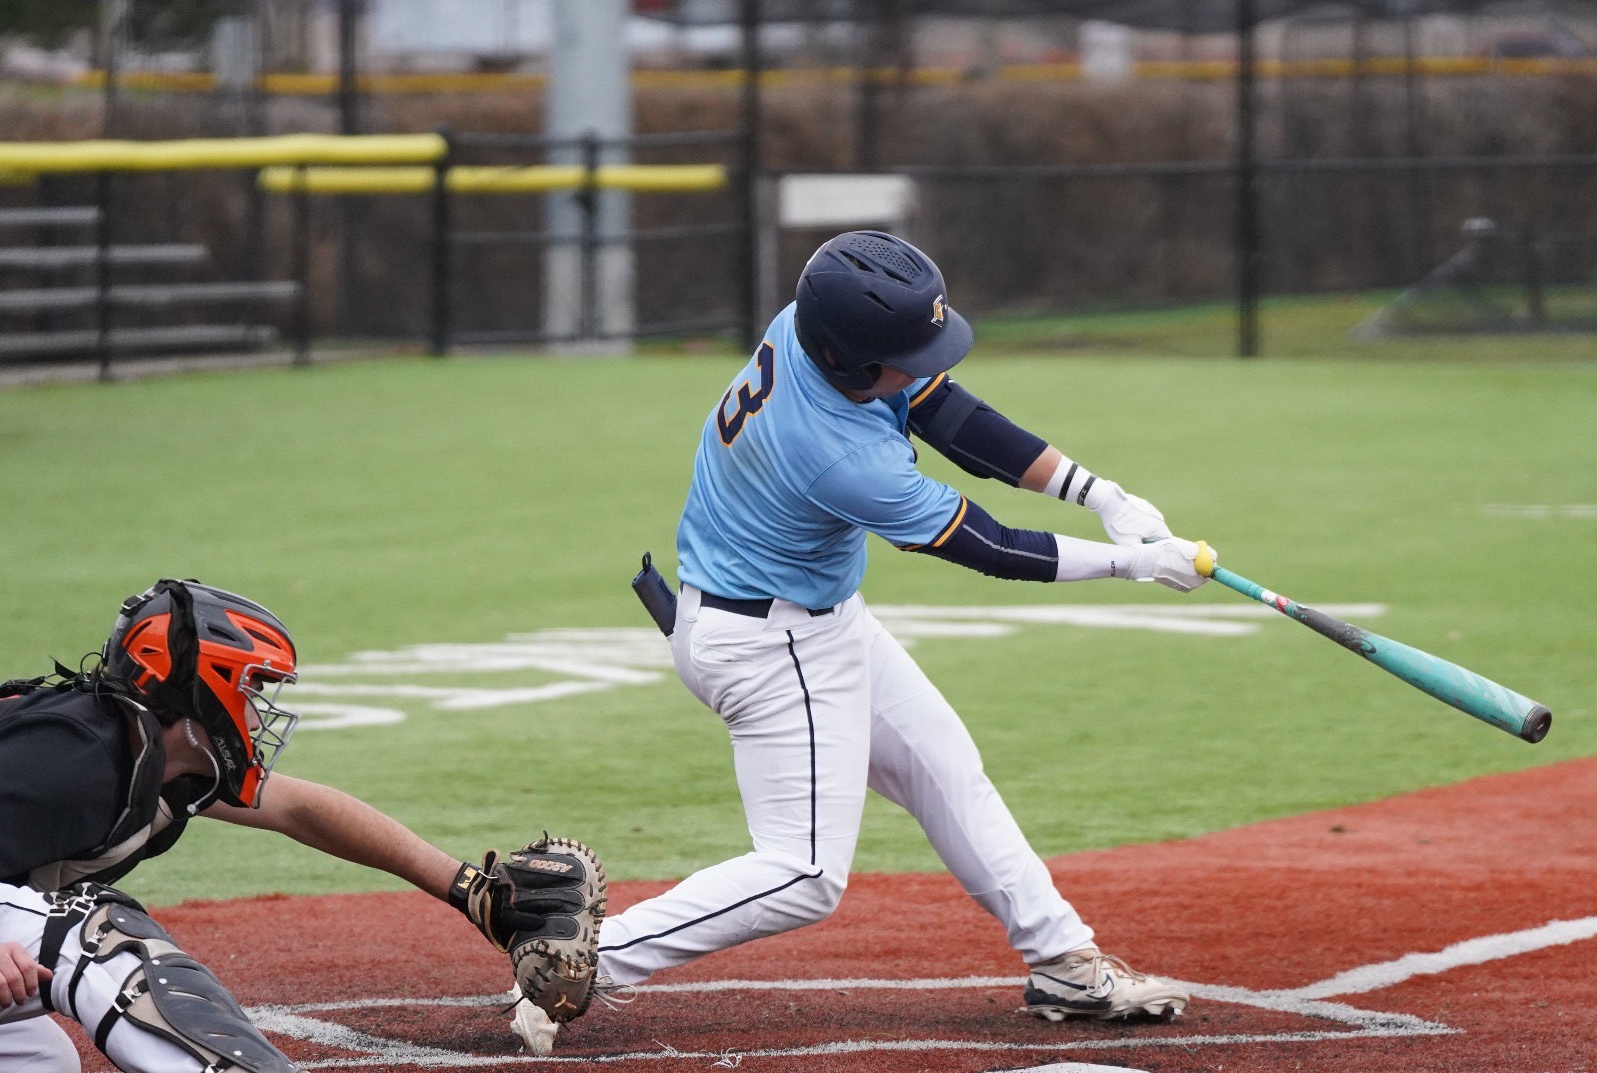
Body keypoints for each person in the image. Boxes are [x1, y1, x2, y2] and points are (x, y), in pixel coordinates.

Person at [515, 231, 1210, 1054]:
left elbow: (951, 412)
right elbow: (988, 547)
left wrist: (1099, 492)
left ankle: (1063, 959)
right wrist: (1131, 562)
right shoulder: (838, 454)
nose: (920, 366)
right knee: (805, 873)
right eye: (904, 354)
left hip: (800, 617)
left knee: (946, 767)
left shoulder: (810, 324)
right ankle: (581, 958)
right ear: (849, 360)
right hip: (772, 648)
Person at [0, 579, 596, 1073]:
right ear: (198, 688)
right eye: (251, 687)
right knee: (100, 939)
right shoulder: (77, 756)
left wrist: (467, 889)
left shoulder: (156, 761)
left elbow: (300, 810)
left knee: (36, 1060)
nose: (261, 714)